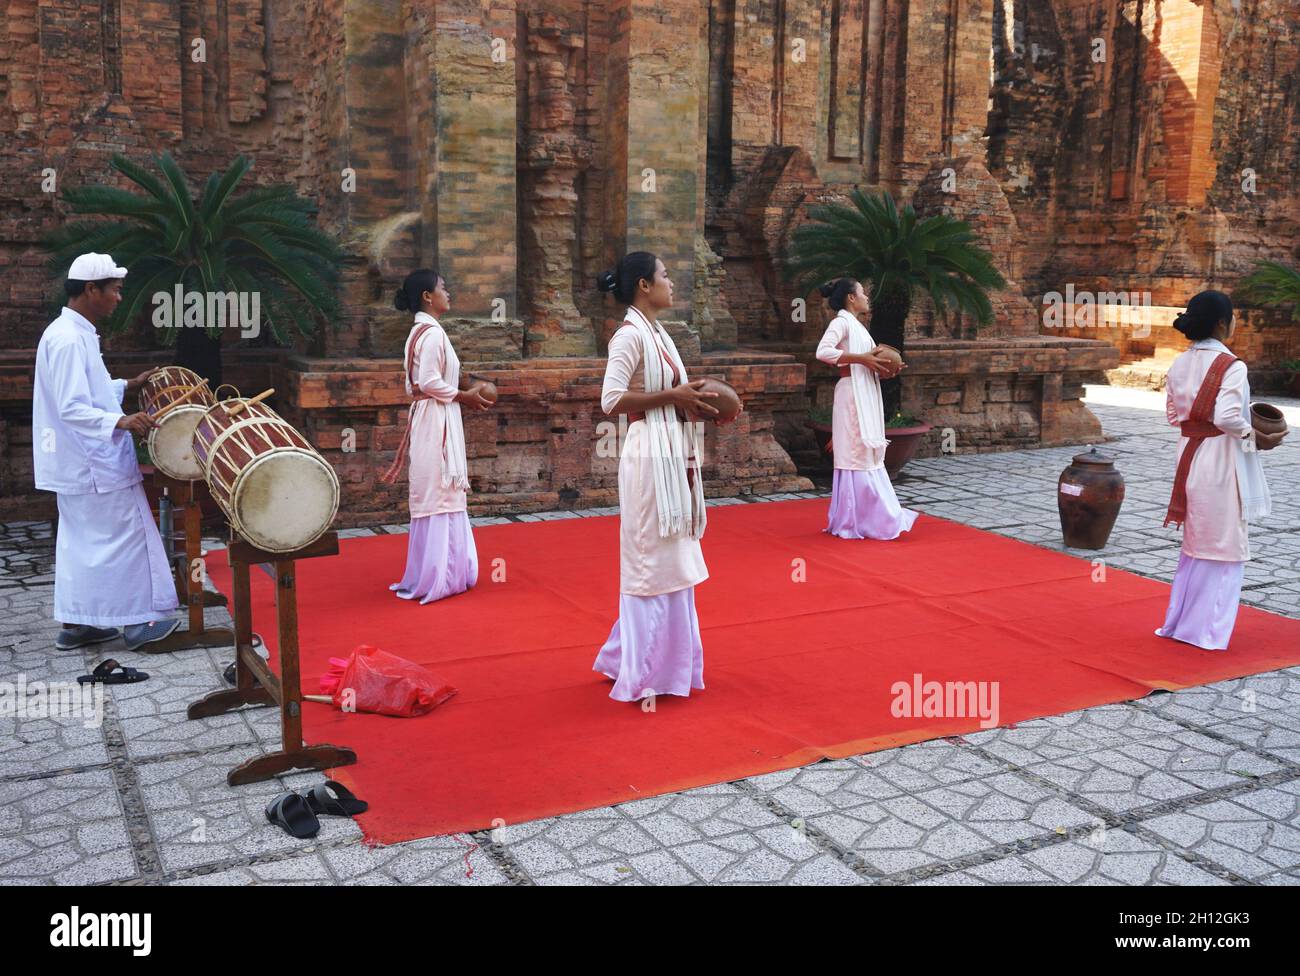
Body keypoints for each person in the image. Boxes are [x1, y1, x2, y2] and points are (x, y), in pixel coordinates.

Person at [593, 252, 732, 702]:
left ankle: (641, 660)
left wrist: (696, 405)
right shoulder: (629, 336)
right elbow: (611, 400)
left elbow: (671, 396)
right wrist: (672, 394)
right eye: (665, 275)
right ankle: (641, 670)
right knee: (648, 558)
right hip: (648, 454)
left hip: (671, 448)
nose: (672, 282)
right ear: (644, 287)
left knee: (670, 557)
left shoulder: (659, 333)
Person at [33, 253, 180, 651]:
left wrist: (127, 384)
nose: (119, 298)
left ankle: (78, 625)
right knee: (126, 537)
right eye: (114, 291)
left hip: (79, 463)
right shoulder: (67, 339)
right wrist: (122, 421)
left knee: (81, 542)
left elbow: (88, 390)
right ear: (90, 289)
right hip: (92, 464)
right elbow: (70, 406)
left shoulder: (72, 332)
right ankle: (137, 623)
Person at [1157, 290, 1282, 650]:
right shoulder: (1232, 365)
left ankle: (1181, 624)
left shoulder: (1179, 362)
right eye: (1233, 318)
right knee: (1224, 544)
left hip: (1190, 457)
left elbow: (1171, 415)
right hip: (1219, 461)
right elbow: (1227, 416)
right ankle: (1205, 632)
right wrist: (1255, 434)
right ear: (1221, 323)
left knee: (1197, 543)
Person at [382, 268, 491, 604]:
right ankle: (440, 576)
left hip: (433, 415)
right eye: (443, 287)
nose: (449, 292)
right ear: (428, 297)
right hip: (435, 417)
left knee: (440, 489)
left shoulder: (424, 331)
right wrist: (465, 396)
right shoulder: (430, 334)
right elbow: (428, 382)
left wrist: (465, 389)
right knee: (440, 488)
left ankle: (446, 571)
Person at [814, 278, 918, 540]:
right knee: (856, 453)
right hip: (851, 395)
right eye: (862, 292)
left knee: (866, 453)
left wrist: (884, 370)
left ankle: (872, 517)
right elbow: (823, 352)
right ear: (851, 297)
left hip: (864, 390)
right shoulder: (840, 322)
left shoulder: (858, 326)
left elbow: (867, 363)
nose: (866, 296)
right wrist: (862, 359)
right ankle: (862, 519)